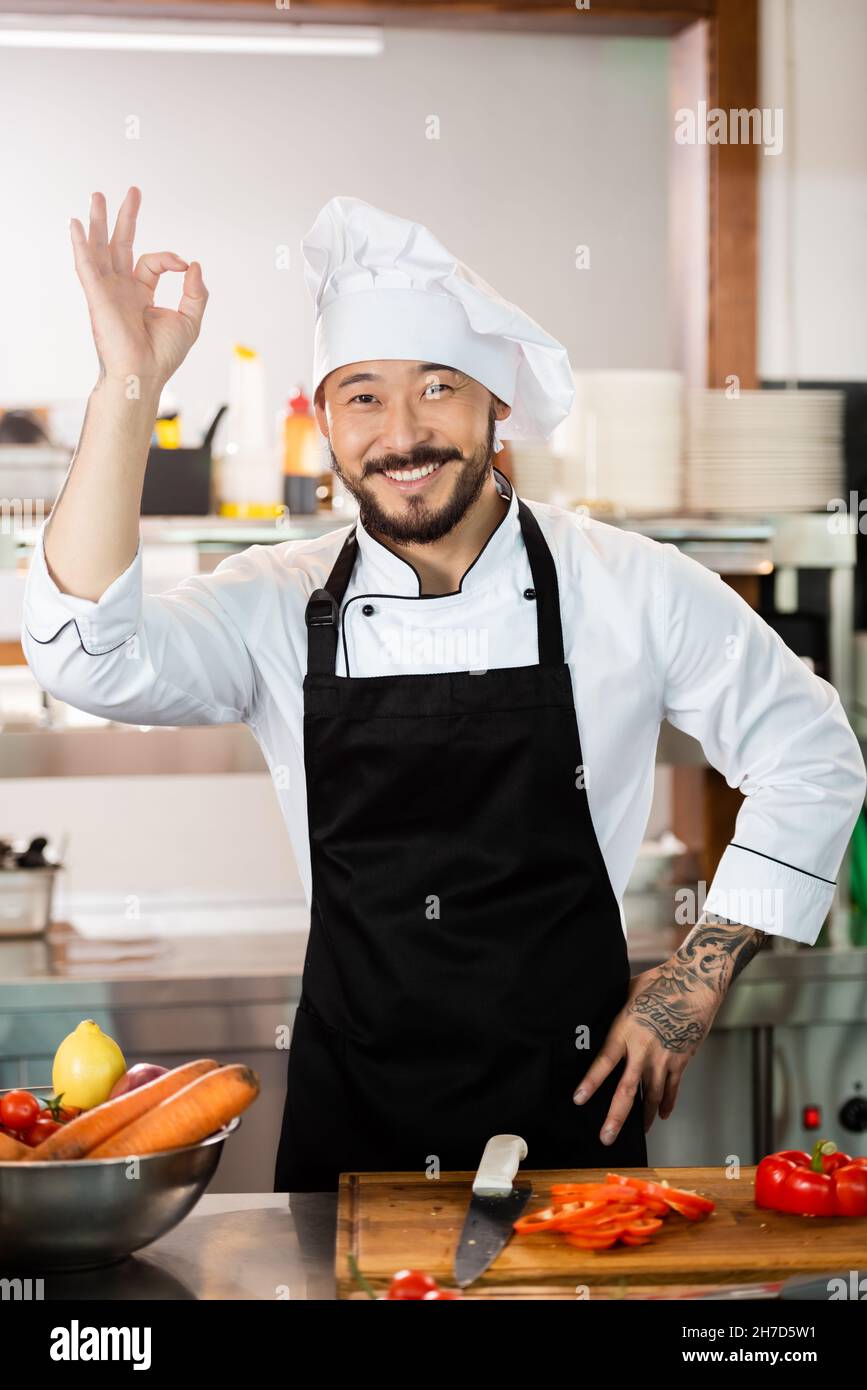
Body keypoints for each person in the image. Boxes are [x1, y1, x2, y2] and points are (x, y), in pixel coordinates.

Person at [22, 188, 867, 1191]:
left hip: (574, 1122)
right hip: (353, 1132)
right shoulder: (274, 602)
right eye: (363, 395)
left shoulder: (627, 583)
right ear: (326, 421)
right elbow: (85, 654)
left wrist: (696, 973)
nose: (403, 433)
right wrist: (127, 383)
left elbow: (811, 753)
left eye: (436, 387)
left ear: (495, 401)